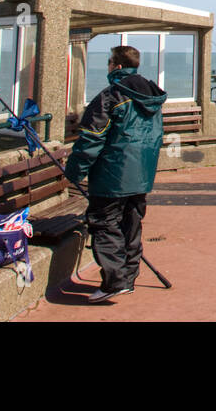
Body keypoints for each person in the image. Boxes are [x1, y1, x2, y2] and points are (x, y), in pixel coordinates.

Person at [64, 44, 166, 302]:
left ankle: (114, 282)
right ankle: (128, 277)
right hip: (142, 175)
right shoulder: (152, 98)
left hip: (112, 175)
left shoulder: (111, 96)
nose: (108, 66)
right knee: (131, 224)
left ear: (117, 66)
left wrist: (75, 171)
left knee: (105, 224)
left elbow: (90, 139)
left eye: (109, 62)